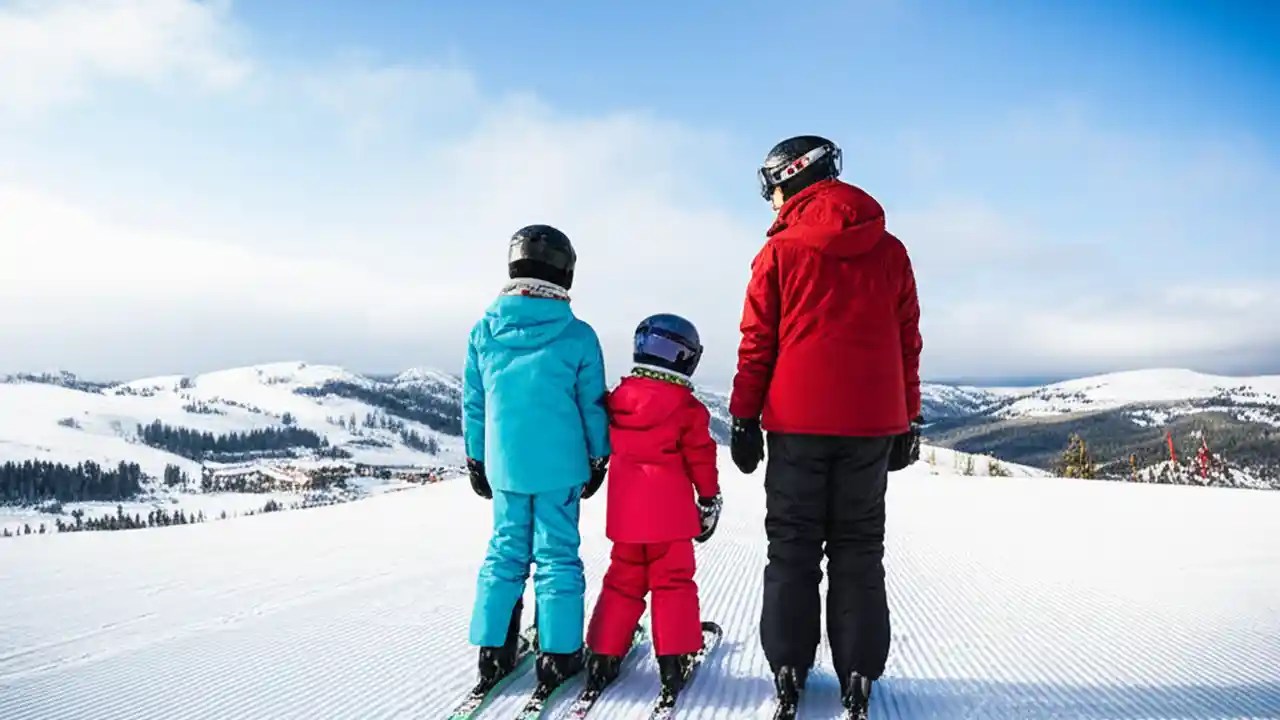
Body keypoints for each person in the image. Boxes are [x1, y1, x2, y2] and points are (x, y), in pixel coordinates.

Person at [729, 135, 923, 714]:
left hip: (797, 425)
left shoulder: (779, 252)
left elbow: (757, 342)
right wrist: (908, 417)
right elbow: (906, 342)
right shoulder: (890, 251)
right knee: (859, 547)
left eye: (771, 188)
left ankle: (789, 665)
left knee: (791, 546)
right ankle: (859, 672)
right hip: (871, 426)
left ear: (791, 178)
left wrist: (743, 415)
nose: (770, 202)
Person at [462, 224, 611, 693]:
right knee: (557, 556)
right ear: (564, 273)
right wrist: (599, 457)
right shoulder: (578, 335)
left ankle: (495, 652)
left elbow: (474, 403)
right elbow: (592, 404)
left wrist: (475, 458)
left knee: (505, 552)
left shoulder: (484, 331)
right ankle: (560, 654)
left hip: (505, 466)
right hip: (561, 468)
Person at [583, 314, 722, 698]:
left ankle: (602, 655)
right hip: (671, 521)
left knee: (622, 580)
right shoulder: (686, 407)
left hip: (627, 517)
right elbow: (701, 458)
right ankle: (674, 661)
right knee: (672, 582)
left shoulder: (617, 401)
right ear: (686, 358)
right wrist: (709, 498)